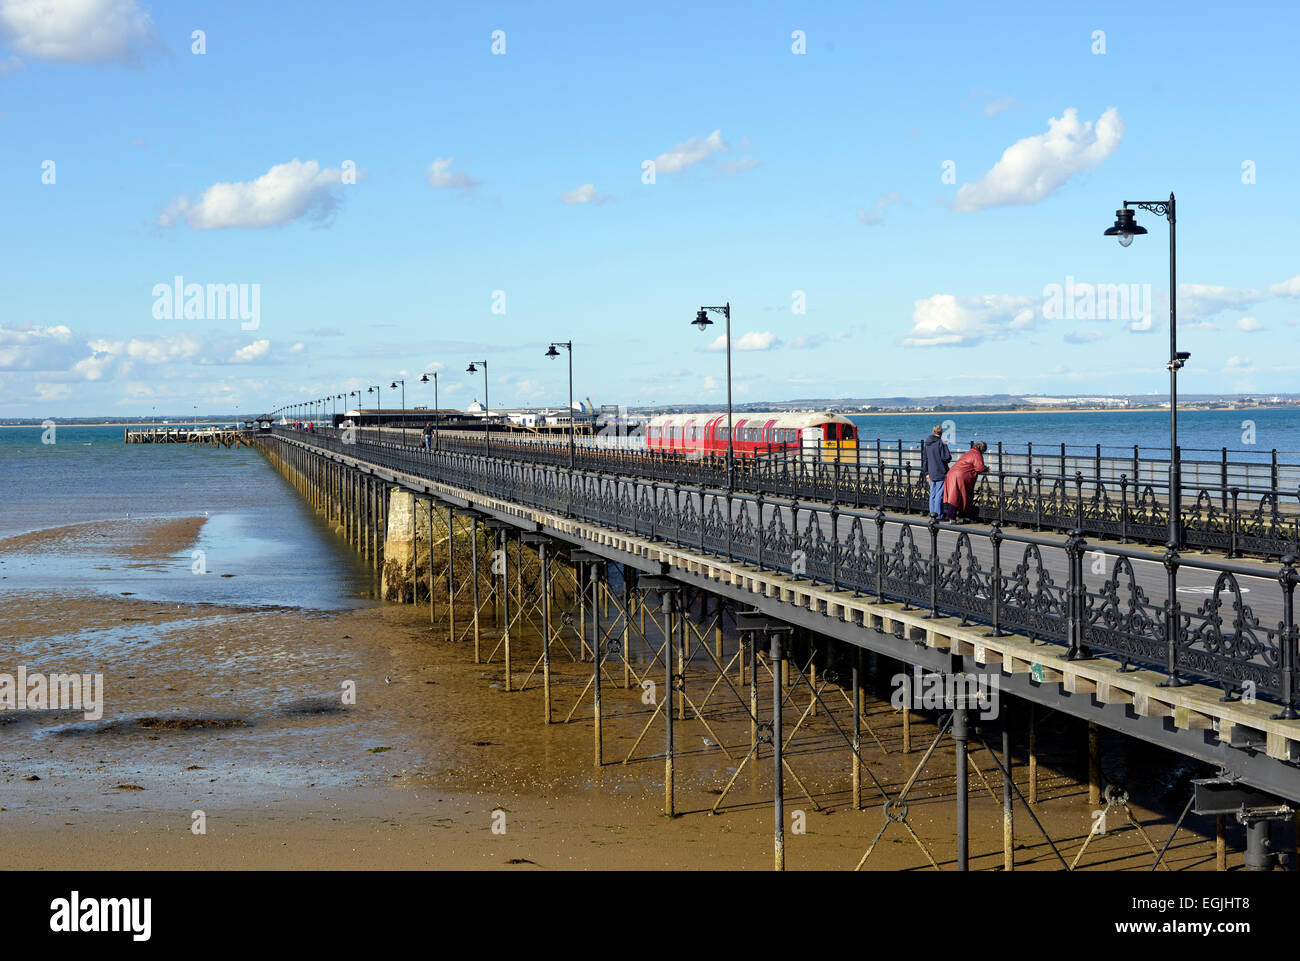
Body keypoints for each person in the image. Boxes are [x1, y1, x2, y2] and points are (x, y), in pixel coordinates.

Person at [943, 441, 989, 522]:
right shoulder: (977, 454)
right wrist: (986, 468)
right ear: (982, 449)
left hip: (952, 474)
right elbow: (979, 468)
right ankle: (953, 517)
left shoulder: (970, 452)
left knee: (954, 496)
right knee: (957, 496)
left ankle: (953, 516)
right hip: (960, 476)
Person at [921, 425, 951, 518]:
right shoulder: (941, 443)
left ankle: (932, 514)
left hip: (931, 471)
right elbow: (946, 458)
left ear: (933, 432)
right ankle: (938, 515)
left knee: (932, 494)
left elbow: (924, 459)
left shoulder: (927, 443)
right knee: (939, 494)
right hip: (940, 470)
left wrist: (926, 472)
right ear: (941, 433)